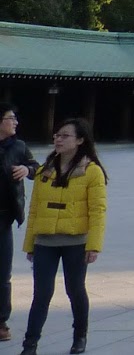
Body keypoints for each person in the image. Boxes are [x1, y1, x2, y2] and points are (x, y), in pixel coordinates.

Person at [21, 118, 108, 355]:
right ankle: (30, 344)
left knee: (75, 290)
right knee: (41, 294)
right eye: (57, 135)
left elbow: (97, 211)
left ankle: (80, 336)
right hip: (45, 242)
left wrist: (94, 245)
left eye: (65, 136)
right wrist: (30, 244)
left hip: (76, 242)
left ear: (80, 141)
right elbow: (35, 209)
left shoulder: (92, 172)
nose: (58, 139)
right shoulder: (44, 171)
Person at [0, 103, 39, 343]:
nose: (15, 122)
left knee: (3, 272)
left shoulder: (19, 146)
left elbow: (37, 168)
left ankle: (1, 320)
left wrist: (26, 169)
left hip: (4, 217)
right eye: (10, 118)